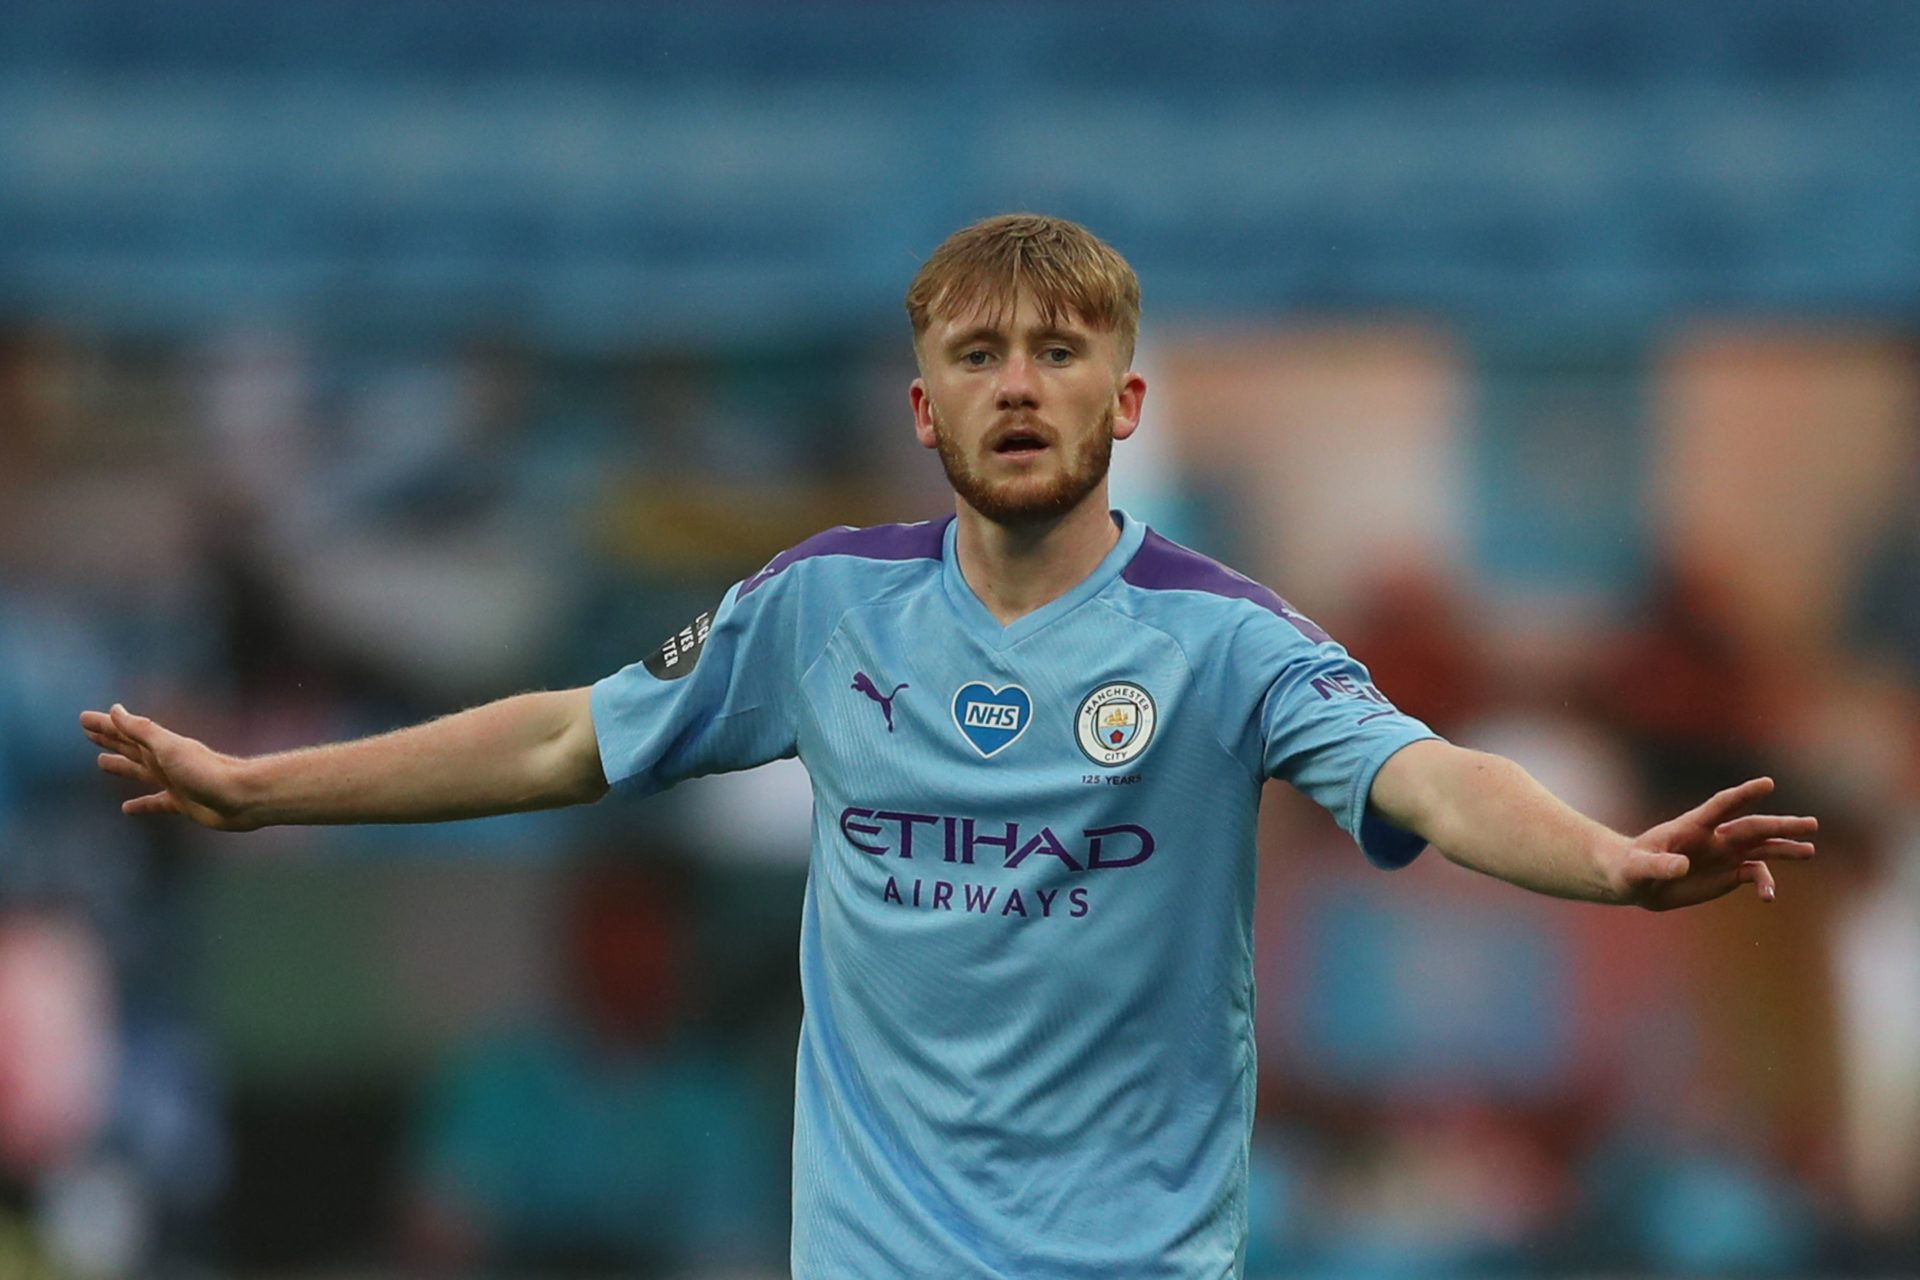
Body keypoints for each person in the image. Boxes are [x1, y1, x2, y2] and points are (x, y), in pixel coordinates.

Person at [80, 214, 1819, 1278]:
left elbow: (1429, 772)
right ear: (922, 408)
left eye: (1060, 354)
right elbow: (563, 738)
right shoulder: (821, 613)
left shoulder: (1223, 640)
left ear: (1123, 403)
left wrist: (1606, 863)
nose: (1017, 385)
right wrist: (257, 787)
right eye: (977, 354)